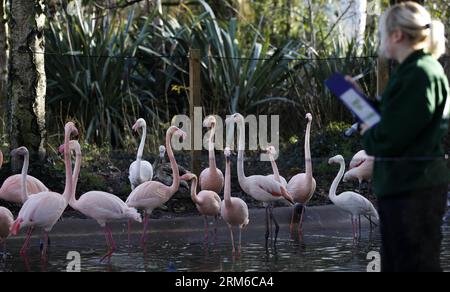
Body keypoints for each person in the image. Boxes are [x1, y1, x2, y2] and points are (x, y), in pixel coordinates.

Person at [350, 1, 450, 272]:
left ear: (397, 35)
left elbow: (388, 138)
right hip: (406, 184)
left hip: (412, 187)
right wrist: (359, 101)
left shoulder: (419, 74)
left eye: (383, 33)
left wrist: (368, 129)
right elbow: (395, 118)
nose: (380, 40)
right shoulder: (412, 71)